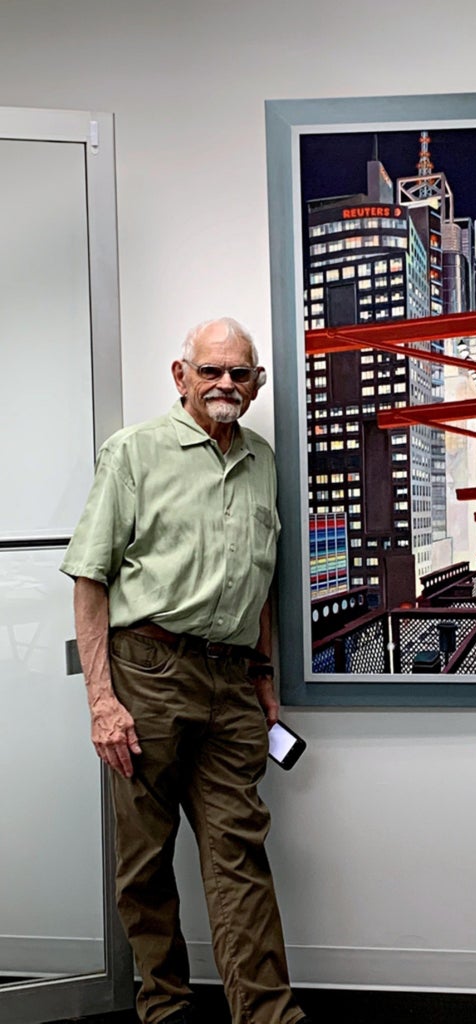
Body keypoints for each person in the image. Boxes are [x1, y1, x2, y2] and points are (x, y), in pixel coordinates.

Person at [60, 317, 310, 1024]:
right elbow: (89, 578)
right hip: (148, 672)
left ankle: (267, 1015)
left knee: (240, 855)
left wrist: (264, 679)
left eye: (240, 373)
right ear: (182, 376)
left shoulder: (261, 459)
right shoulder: (135, 451)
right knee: (145, 863)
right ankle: (164, 1009)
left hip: (231, 683)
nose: (226, 384)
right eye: (212, 370)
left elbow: (259, 584)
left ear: (257, 384)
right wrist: (101, 702)